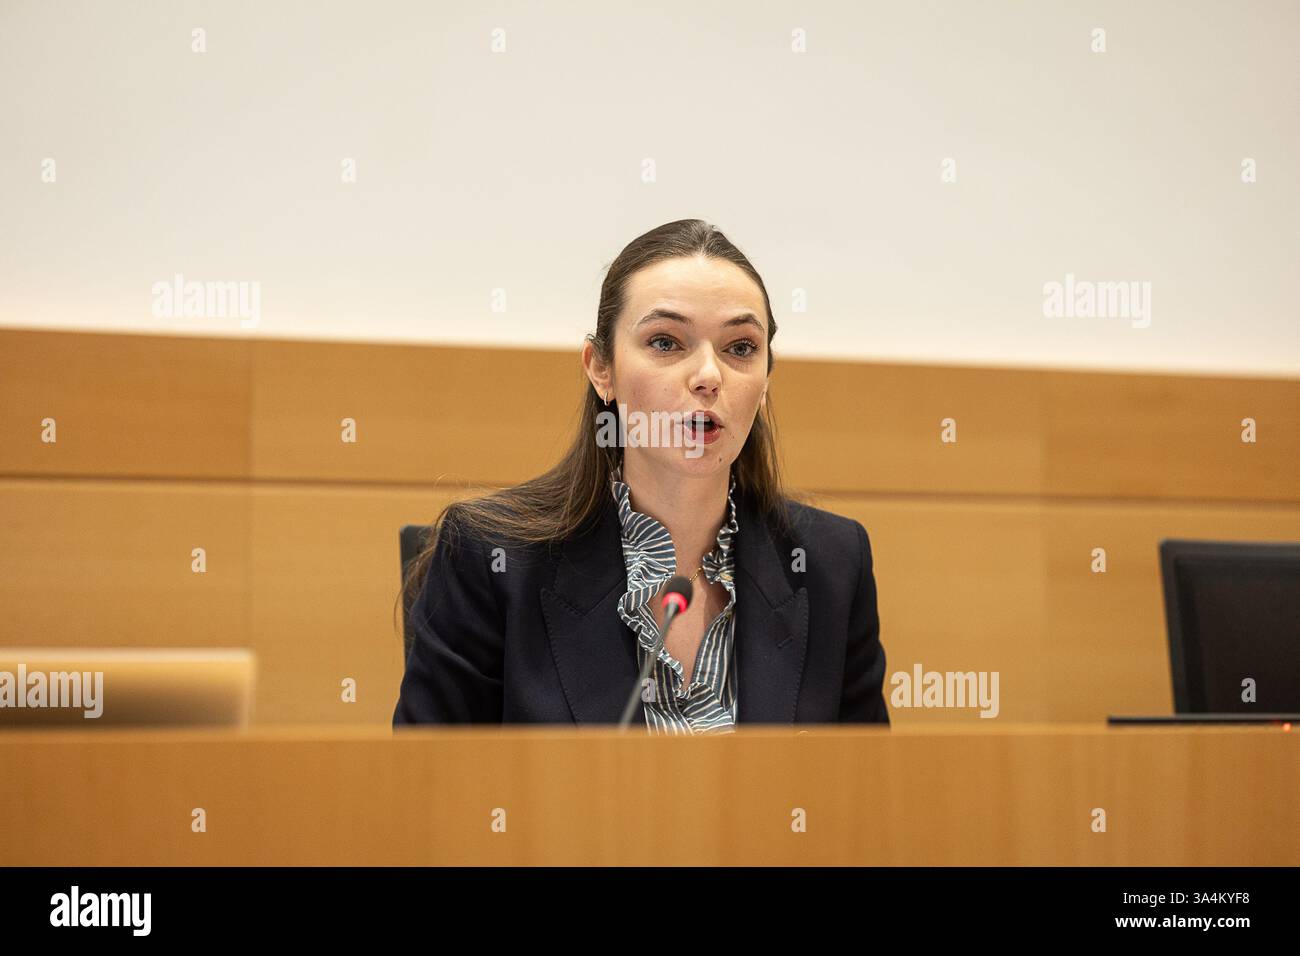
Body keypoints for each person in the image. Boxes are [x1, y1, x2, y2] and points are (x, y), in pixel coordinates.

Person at [393, 219, 888, 733]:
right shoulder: (487, 559)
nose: (708, 376)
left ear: (765, 382)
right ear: (600, 368)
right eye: (665, 342)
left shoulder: (831, 563)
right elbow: (430, 795)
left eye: (740, 347)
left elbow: (862, 797)